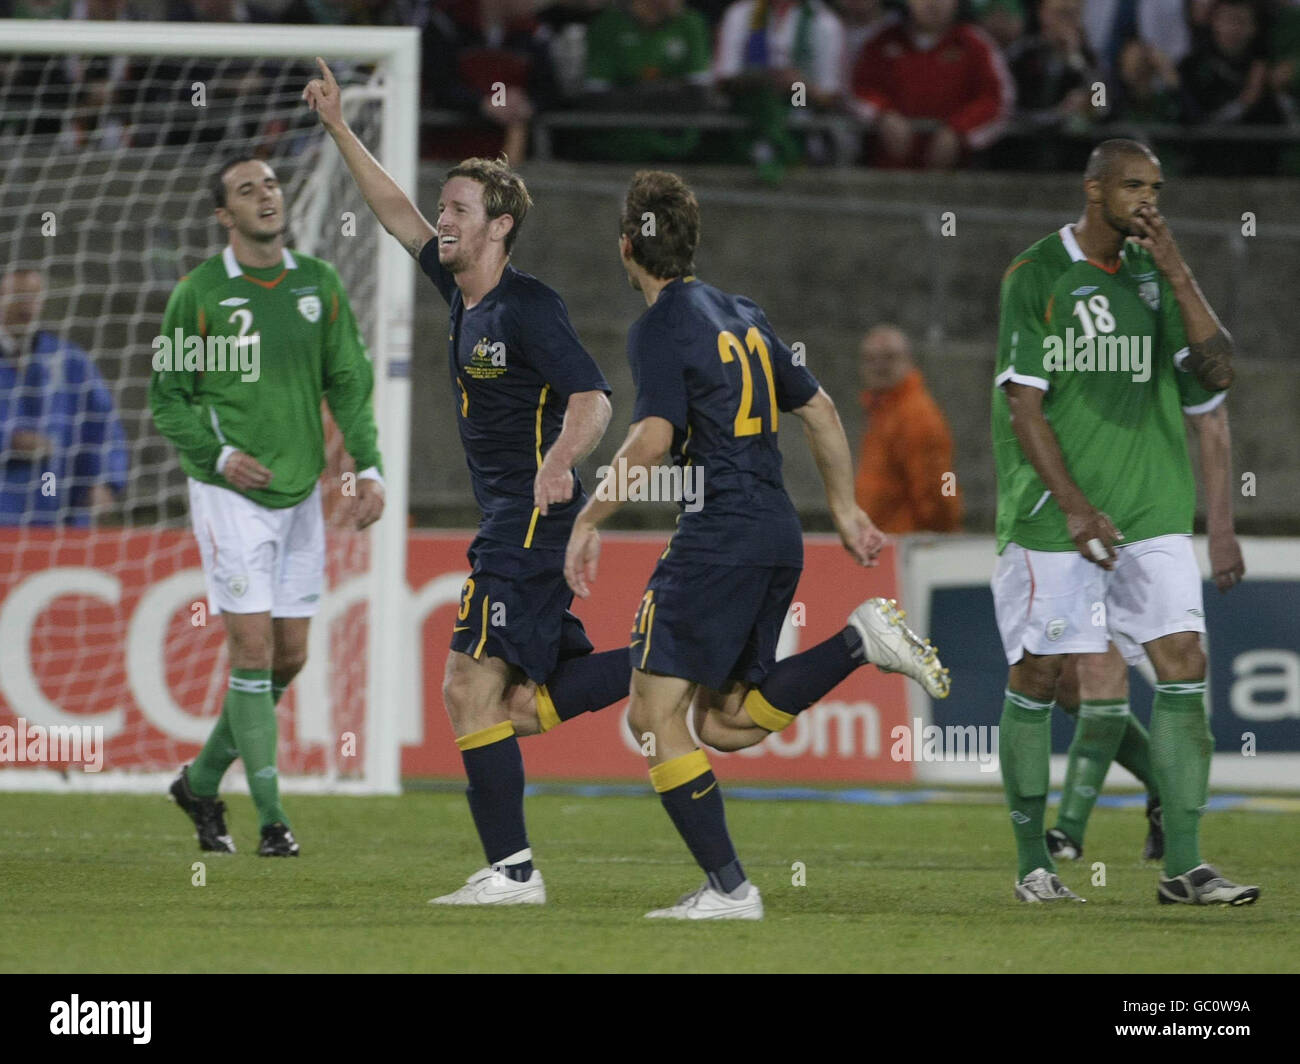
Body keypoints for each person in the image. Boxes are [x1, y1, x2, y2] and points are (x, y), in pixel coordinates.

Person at [563, 170, 950, 920]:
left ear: (625, 250)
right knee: (725, 722)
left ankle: (730, 889)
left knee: (654, 713)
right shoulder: (742, 313)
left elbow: (650, 438)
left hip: (717, 536)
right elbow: (824, 410)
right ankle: (856, 642)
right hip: (775, 533)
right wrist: (842, 510)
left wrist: (589, 517)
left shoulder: (659, 327)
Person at [306, 58, 636, 906]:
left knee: (466, 686)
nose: (440, 220)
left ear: (498, 227)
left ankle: (514, 872)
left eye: (457, 209)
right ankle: (667, 659)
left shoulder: (528, 306)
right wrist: (342, 128)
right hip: (511, 521)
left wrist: (559, 461)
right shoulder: (461, 292)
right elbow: (392, 213)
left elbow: (595, 398)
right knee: (521, 705)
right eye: (443, 207)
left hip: (527, 522)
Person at [990, 137, 1258, 906]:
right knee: (1040, 675)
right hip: (1054, 515)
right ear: (1094, 188)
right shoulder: (1036, 274)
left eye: (1158, 189)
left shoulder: (1153, 275)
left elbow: (1218, 374)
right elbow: (1023, 404)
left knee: (1184, 663)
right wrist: (1073, 505)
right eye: (1135, 186)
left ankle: (1187, 864)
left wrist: (1177, 270)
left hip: (1150, 508)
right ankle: (1032, 864)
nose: (1150, 200)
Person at [151, 154, 386, 858]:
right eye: (246, 190)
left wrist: (368, 467)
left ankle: (196, 782)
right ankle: (272, 817)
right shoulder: (197, 295)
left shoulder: (319, 285)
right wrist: (219, 457)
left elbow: (348, 381)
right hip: (230, 496)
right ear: (224, 214)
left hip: (300, 495)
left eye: (272, 184)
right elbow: (169, 398)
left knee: (290, 657)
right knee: (250, 649)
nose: (266, 196)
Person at [1047, 399, 1244, 862]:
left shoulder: (1167, 331)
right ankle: (1160, 787)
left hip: (1140, 527)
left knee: (1103, 670)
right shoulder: (1060, 336)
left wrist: (1220, 527)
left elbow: (1213, 418)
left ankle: (1070, 831)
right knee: (1062, 683)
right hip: (1070, 518)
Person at [0, 267, 128, 527]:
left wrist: (104, 481)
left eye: (33, 296)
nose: (27, 306)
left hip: (61, 516)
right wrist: (10, 441)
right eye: (18, 296)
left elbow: (102, 425)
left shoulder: (69, 360)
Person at [850, 0, 1014, 170]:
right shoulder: (881, 42)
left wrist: (959, 131)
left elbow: (996, 99)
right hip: (887, 173)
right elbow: (858, 89)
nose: (933, 3)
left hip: (955, 175)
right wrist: (883, 114)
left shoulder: (976, 44)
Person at [853, 323, 962, 533]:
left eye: (889, 357)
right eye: (870, 359)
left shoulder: (916, 414)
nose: (879, 366)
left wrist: (943, 535)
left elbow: (941, 483)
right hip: (884, 541)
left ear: (909, 360)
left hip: (909, 544)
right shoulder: (881, 410)